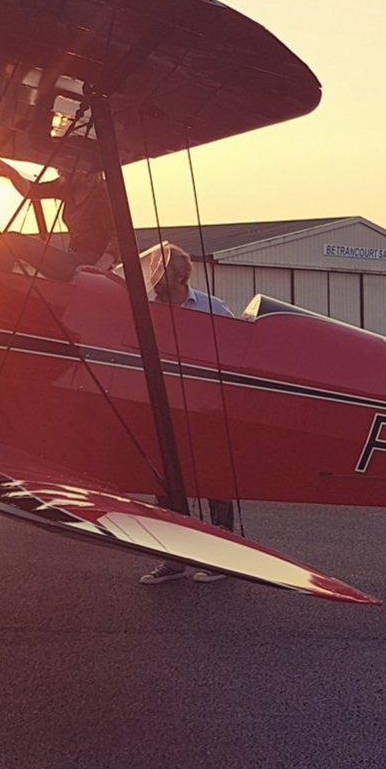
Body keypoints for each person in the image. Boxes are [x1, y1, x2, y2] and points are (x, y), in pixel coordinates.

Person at [137, 241, 239, 586]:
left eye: (159, 270)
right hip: (163, 406)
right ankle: (172, 559)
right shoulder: (145, 310)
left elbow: (236, 353)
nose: (152, 277)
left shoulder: (212, 309)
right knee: (165, 484)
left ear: (179, 277)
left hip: (204, 407)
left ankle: (222, 557)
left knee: (214, 480)